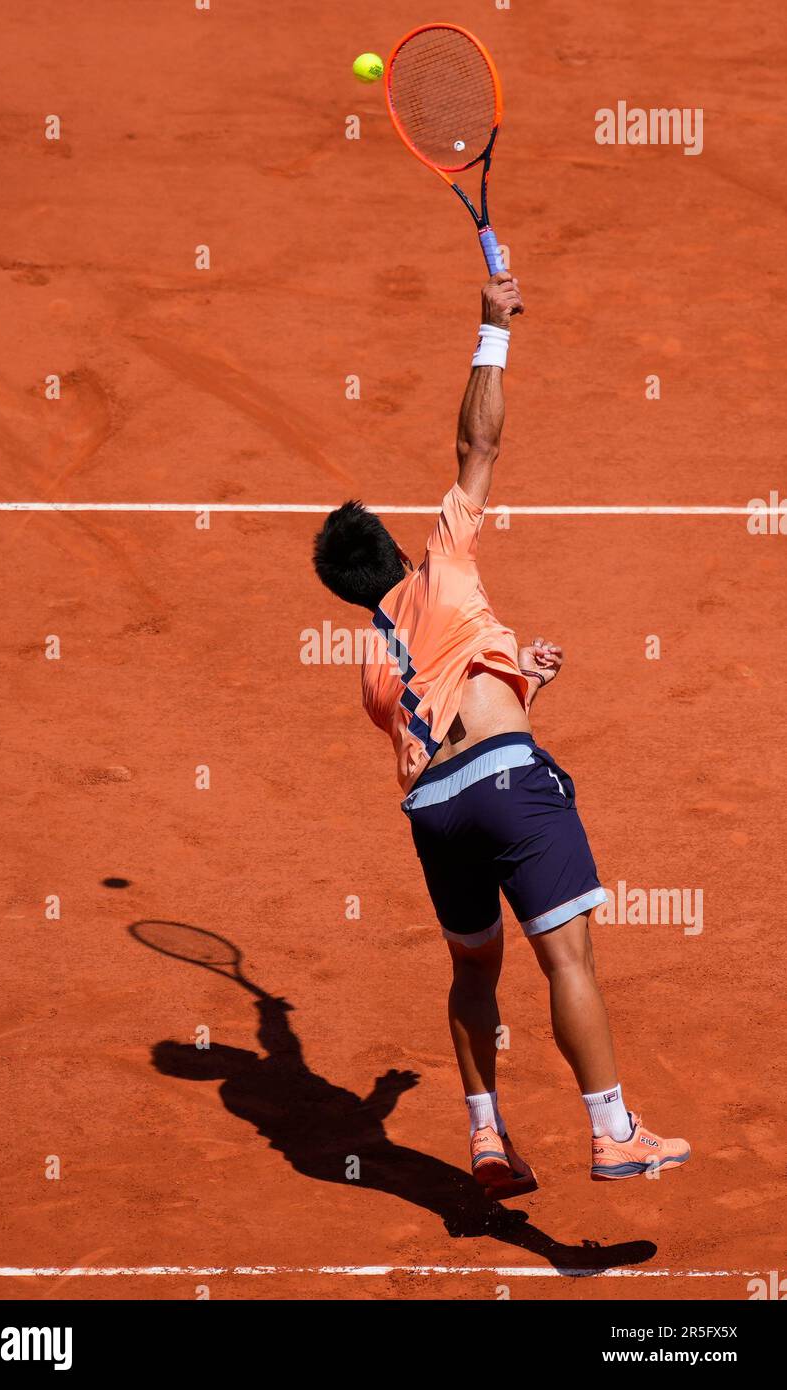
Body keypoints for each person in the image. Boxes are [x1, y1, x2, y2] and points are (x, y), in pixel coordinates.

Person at [312, 271, 690, 1195]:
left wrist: (524, 688)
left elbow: (452, 741)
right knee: (568, 957)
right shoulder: (439, 565)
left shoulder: (371, 670)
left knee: (475, 967)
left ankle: (486, 1138)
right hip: (510, 786)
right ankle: (613, 1133)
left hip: (436, 814)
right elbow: (478, 438)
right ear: (400, 552)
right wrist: (493, 328)